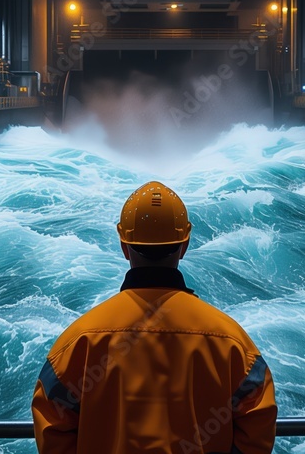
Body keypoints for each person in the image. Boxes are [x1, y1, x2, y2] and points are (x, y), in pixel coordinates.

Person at [32, 181, 277, 453]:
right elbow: (258, 425)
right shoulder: (232, 342)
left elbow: (52, 427)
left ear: (124, 247)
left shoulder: (79, 341)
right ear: (184, 245)